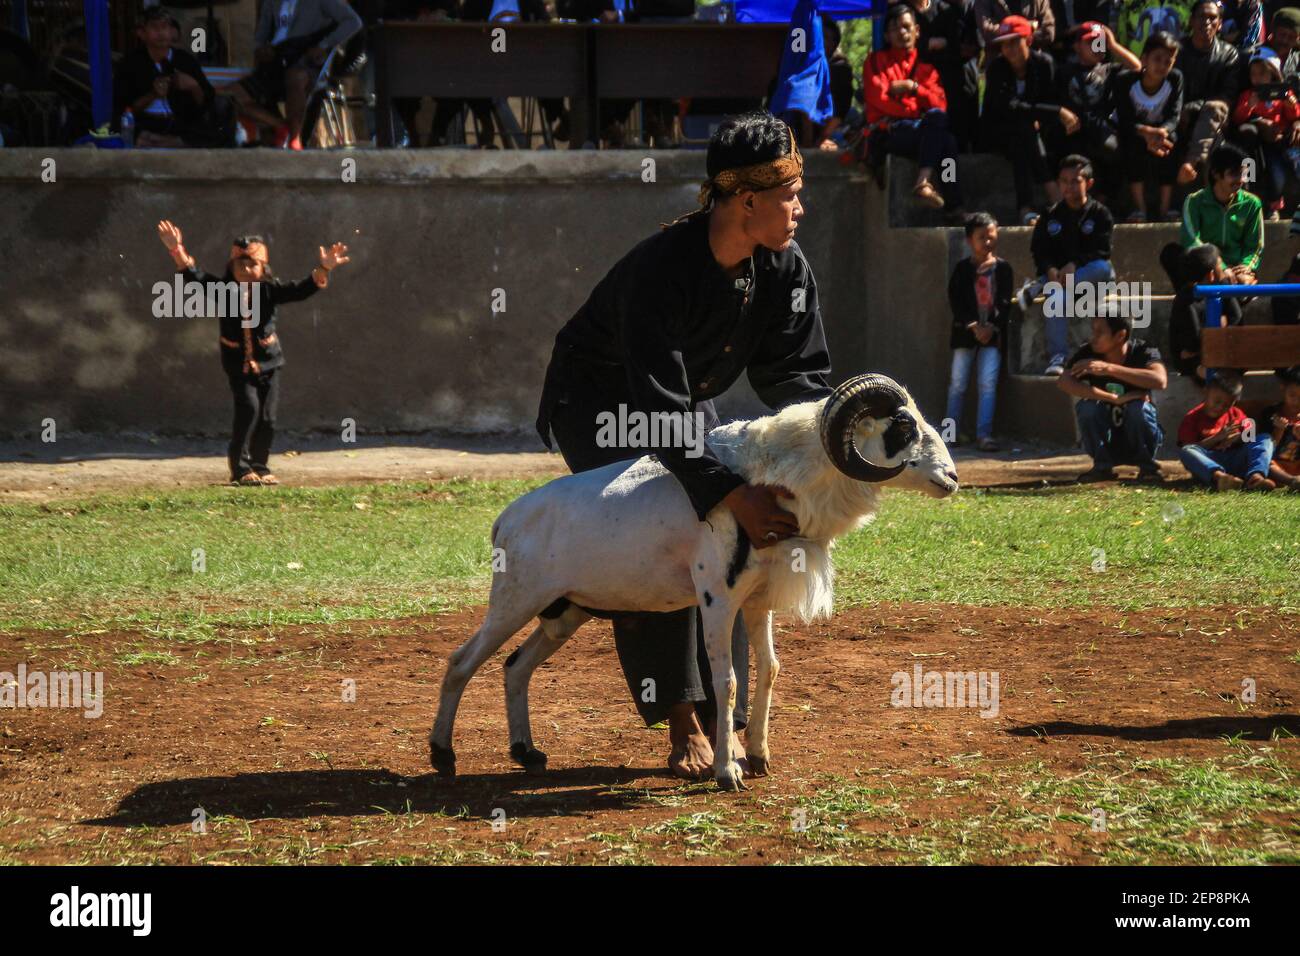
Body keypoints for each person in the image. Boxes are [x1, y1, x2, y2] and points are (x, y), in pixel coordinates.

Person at [535, 113, 835, 780]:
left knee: (721, 534)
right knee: (667, 530)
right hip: (600, 401)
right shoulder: (660, 273)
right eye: (789, 194)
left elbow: (799, 379)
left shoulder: (785, 268)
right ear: (746, 201)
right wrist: (729, 489)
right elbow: (657, 409)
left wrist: (807, 459)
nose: (799, 207)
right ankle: (684, 722)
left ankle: (725, 717)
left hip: (674, 397)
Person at [156, 220, 350, 485]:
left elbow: (302, 289)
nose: (246, 269)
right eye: (240, 264)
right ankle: (240, 469)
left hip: (270, 361)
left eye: (252, 264)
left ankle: (260, 465)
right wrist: (176, 249)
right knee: (248, 409)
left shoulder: (270, 291)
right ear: (231, 267)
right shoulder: (222, 291)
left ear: (263, 268)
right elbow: (194, 276)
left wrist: (324, 267)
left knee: (268, 416)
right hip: (237, 362)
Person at [1020, 154, 1118, 375]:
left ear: (1089, 183)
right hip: (1061, 282)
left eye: (1075, 181)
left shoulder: (1100, 214)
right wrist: (1050, 269)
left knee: (1102, 267)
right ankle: (1058, 357)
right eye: (1064, 181)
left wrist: (1075, 264)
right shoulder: (1051, 214)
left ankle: (1040, 285)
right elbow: (1039, 250)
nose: (1068, 186)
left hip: (1091, 281)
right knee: (1057, 297)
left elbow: (1103, 250)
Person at [863, 4, 965, 212]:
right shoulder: (875, 62)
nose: (902, 32)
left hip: (921, 131)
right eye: (895, 28)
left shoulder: (927, 68)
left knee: (946, 138)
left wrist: (914, 88)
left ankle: (926, 182)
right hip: (888, 133)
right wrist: (918, 109)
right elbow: (880, 100)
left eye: (906, 26)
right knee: (942, 134)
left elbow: (940, 105)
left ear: (917, 31)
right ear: (886, 35)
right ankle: (950, 205)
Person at [226, 0, 364, 149]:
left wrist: (323, 45)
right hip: (276, 63)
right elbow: (261, 36)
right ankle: (282, 126)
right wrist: (261, 48)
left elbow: (353, 22)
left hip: (306, 63)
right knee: (231, 94)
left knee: (295, 77)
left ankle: (294, 138)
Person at [1056, 312, 1169, 481]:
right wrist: (1113, 398)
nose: (1092, 337)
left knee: (1138, 408)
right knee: (1087, 407)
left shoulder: (1143, 350)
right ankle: (1102, 467)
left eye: (1099, 333)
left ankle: (1148, 468)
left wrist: (1109, 369)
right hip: (1107, 434)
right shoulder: (1088, 352)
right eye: (1092, 331)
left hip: (1138, 435)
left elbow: (1160, 380)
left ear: (1120, 336)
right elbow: (1064, 382)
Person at [982, 15, 1068, 224]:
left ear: (1028, 41)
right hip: (999, 130)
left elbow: (1051, 99)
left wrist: (1046, 114)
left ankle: (1026, 208)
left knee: (1023, 140)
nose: (1009, 49)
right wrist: (1055, 112)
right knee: (1023, 128)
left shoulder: (1044, 64)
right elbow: (1008, 107)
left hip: (1034, 133)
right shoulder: (996, 68)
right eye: (1004, 44)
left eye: (1014, 42)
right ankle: (1053, 192)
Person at [945, 212, 1012, 451]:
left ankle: (984, 434)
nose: (987, 242)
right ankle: (949, 433)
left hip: (992, 337)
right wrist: (973, 325)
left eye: (991, 237)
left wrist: (991, 327)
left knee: (987, 383)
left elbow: (1004, 302)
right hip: (966, 334)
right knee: (958, 383)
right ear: (969, 240)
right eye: (981, 237)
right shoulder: (962, 269)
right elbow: (956, 300)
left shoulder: (1003, 269)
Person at [114, 8, 226, 148]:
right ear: (141, 33)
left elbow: (206, 104)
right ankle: (161, 141)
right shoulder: (130, 63)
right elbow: (124, 109)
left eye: (165, 27)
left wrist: (193, 86)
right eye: (154, 27)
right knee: (122, 132)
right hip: (146, 123)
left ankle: (168, 142)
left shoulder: (185, 60)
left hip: (180, 124)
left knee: (217, 130)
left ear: (172, 31)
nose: (161, 33)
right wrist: (152, 95)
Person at [1053, 21, 1143, 195]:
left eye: (1100, 41)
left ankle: (1105, 198)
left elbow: (1137, 68)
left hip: (1101, 130)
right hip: (1075, 131)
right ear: (1077, 46)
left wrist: (1113, 44)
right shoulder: (1064, 71)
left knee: (1112, 150)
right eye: (1091, 42)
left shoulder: (1109, 69)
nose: (1097, 46)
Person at [1110, 30, 1184, 221]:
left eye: (1168, 61)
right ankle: (1139, 208)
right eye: (1157, 59)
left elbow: (1174, 115)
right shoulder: (1125, 81)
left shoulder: (1175, 79)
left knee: (1170, 143)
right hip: (1134, 131)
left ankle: (1165, 208)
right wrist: (1145, 132)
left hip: (1161, 131)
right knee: (1133, 147)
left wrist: (1161, 132)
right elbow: (1124, 119)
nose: (1162, 65)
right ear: (1144, 59)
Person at [1227, 46, 1300, 218]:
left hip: (1281, 142)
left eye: (1262, 74)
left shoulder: (1283, 93)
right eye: (1254, 74)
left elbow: (1294, 114)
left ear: (1272, 74)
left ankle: (1277, 206)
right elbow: (1238, 118)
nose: (1257, 79)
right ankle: (1263, 204)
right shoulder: (1248, 94)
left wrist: (1291, 106)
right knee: (1275, 173)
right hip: (1258, 146)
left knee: (1286, 169)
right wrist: (1249, 107)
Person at [1174, 0, 1241, 186]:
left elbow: (1227, 96)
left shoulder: (1229, 53)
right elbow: (1170, 87)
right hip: (1180, 117)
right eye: (1201, 17)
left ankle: (1191, 162)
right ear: (1191, 22)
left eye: (1212, 18)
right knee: (1216, 144)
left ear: (1220, 24)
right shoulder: (1177, 51)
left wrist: (1194, 107)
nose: (1207, 22)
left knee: (1215, 108)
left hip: (1214, 116)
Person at [1180, 142, 1265, 283]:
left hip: (1238, 267)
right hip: (1209, 267)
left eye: (1243, 174)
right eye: (1234, 174)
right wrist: (1219, 266)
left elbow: (1255, 246)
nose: (1241, 180)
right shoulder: (1194, 201)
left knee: (1243, 281)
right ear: (1216, 174)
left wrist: (1246, 266)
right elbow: (1191, 240)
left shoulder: (1252, 203)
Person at [1177, 370, 1277, 489]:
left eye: (1226, 405)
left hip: (1235, 459)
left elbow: (1251, 436)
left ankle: (1255, 478)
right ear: (1206, 392)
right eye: (1217, 401)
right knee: (1187, 450)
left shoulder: (1236, 413)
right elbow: (1190, 447)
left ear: (1234, 403)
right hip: (1210, 460)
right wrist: (1217, 438)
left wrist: (1237, 439)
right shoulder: (1192, 418)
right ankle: (1220, 478)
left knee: (1265, 438)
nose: (1219, 407)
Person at [1163, 241, 1243, 381]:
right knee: (1205, 368)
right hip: (1196, 361)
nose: (1224, 269)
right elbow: (1192, 343)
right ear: (1211, 275)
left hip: (1220, 349)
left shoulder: (1223, 286)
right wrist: (1220, 324)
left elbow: (1236, 318)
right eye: (1220, 265)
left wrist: (1213, 333)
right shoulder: (1186, 300)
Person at [1261, 364, 1300, 487]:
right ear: (1283, 389)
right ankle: (1292, 481)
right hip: (1277, 465)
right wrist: (1279, 430)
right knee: (1265, 462)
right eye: (1292, 395)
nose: (1296, 401)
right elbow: (1265, 449)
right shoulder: (1271, 414)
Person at [973, 0, 1056, 48]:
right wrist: (1027, 27)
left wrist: (1005, 30)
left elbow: (1048, 31)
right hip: (999, 63)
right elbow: (988, 31)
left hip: (1033, 61)